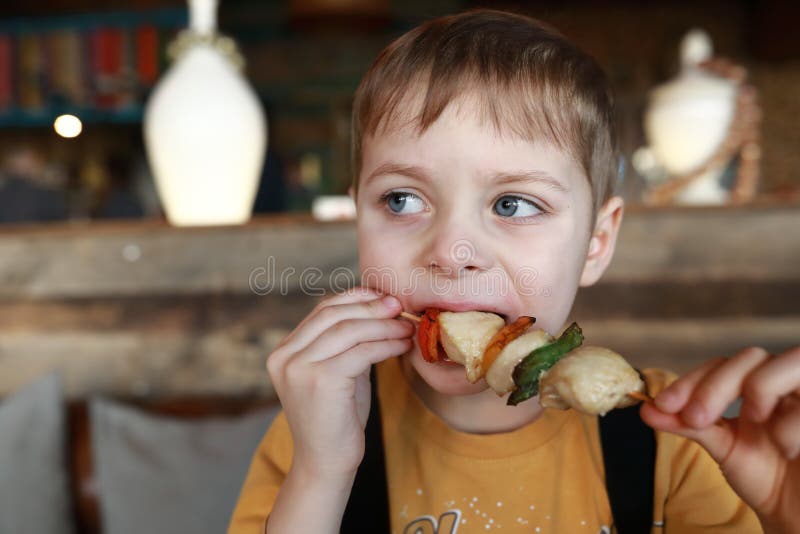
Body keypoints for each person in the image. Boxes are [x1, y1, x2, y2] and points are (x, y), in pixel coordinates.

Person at [229, 10, 799, 534]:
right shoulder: (319, 432)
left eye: (513, 204)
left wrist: (781, 511)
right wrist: (322, 474)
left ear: (597, 243)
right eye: (402, 200)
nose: (451, 251)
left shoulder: (678, 443)